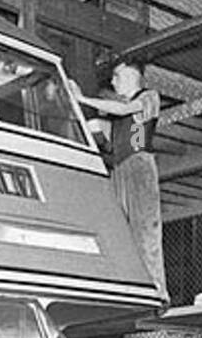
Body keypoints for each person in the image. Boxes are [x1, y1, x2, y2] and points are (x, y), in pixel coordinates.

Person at [70, 61, 167, 301]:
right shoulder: (115, 117)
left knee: (145, 230)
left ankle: (157, 291)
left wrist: (84, 99)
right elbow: (100, 131)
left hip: (139, 164)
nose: (113, 82)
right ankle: (127, 286)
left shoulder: (149, 97)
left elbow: (127, 110)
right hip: (119, 168)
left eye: (117, 76)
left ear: (133, 74)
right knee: (119, 230)